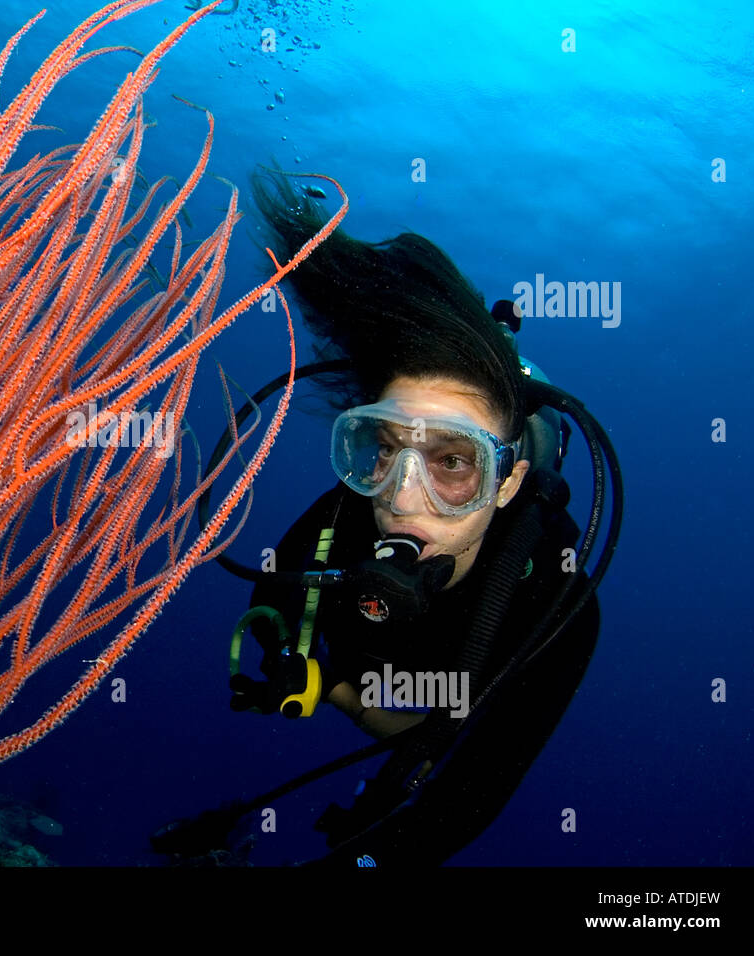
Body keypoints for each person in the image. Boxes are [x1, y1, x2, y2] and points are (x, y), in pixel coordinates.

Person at [222, 171, 605, 866]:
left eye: (452, 462)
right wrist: (309, 673)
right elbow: (274, 602)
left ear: (508, 481)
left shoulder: (557, 605)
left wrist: (343, 697)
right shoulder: (342, 519)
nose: (402, 498)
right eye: (384, 449)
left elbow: (462, 803)